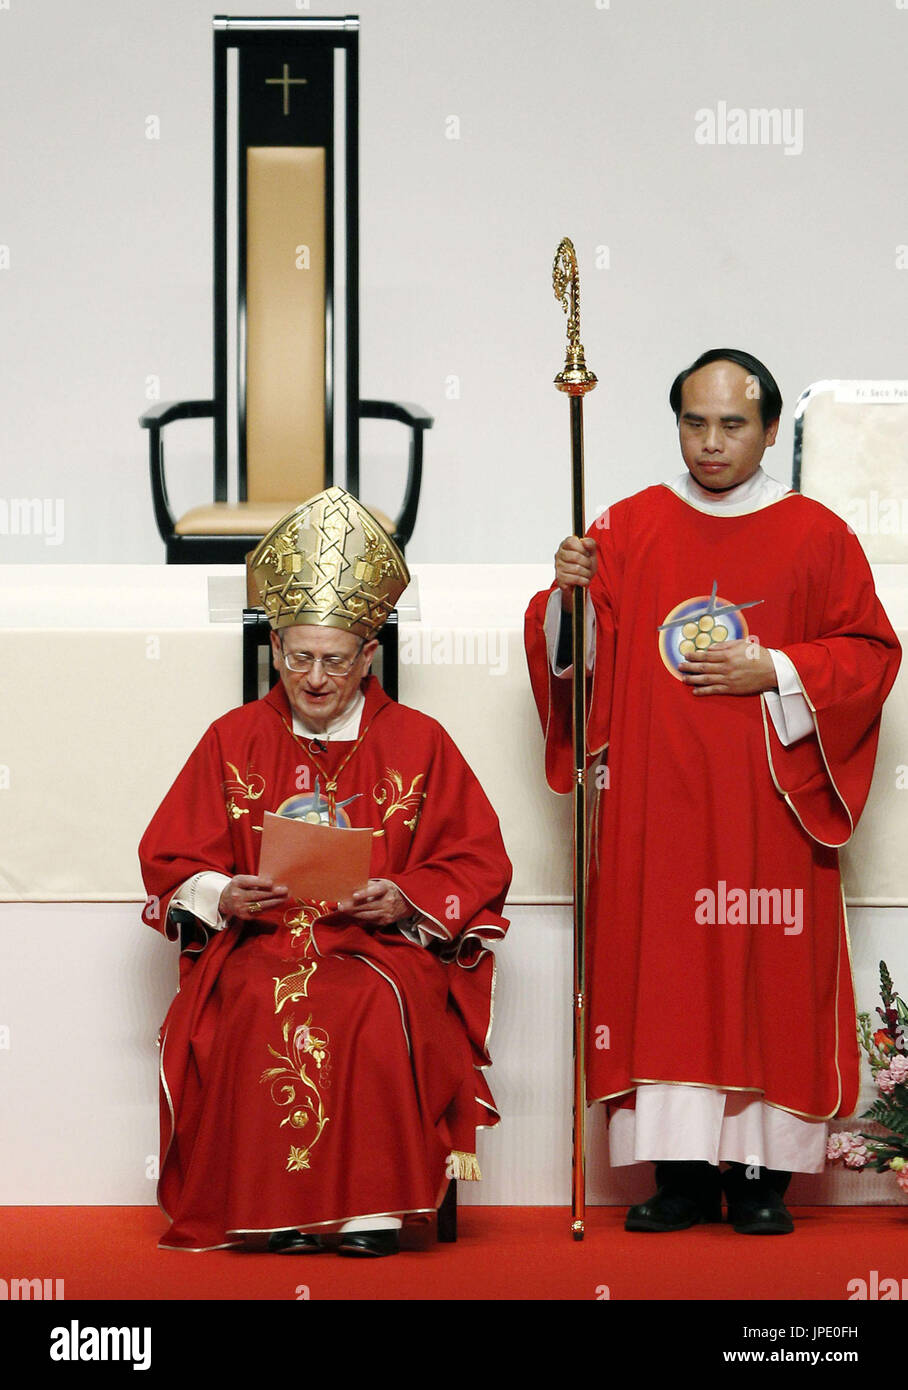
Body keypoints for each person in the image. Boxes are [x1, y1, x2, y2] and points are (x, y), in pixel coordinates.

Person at [524, 349, 902, 1234]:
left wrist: (774, 666)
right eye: (695, 422)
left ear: (770, 429)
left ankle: (764, 1179)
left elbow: (872, 655)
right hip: (660, 808)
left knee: (764, 976)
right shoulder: (626, 527)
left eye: (733, 424)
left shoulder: (817, 533)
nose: (711, 442)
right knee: (670, 982)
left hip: (769, 809)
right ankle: (683, 1175)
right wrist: (569, 599)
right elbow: (580, 661)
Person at [141, 486, 511, 1255]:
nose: (315, 678)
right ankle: (275, 1212)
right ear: (276, 649)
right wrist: (220, 891)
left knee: (371, 1006)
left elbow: (477, 857)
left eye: (335, 660)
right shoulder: (231, 738)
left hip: (378, 948)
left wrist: (404, 898)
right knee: (248, 1001)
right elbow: (170, 857)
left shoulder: (421, 740)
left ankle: (368, 1213)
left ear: (368, 654)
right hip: (262, 943)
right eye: (300, 657)